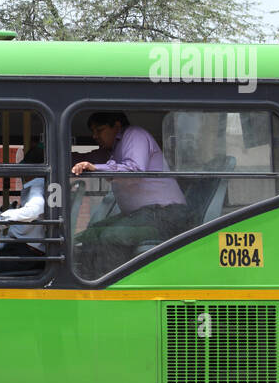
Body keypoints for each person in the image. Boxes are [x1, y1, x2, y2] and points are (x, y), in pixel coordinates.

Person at [69, 111, 193, 276]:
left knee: (109, 236)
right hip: (144, 214)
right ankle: (85, 279)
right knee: (93, 231)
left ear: (117, 126)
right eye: (93, 132)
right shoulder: (113, 148)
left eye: (99, 130)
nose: (94, 136)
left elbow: (134, 170)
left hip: (165, 214)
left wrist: (96, 167)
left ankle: (108, 283)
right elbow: (89, 158)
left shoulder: (134, 135)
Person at [0, 142, 47, 275]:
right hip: (22, 250)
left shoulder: (38, 184)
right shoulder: (39, 184)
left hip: (26, 254)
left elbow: (33, 210)